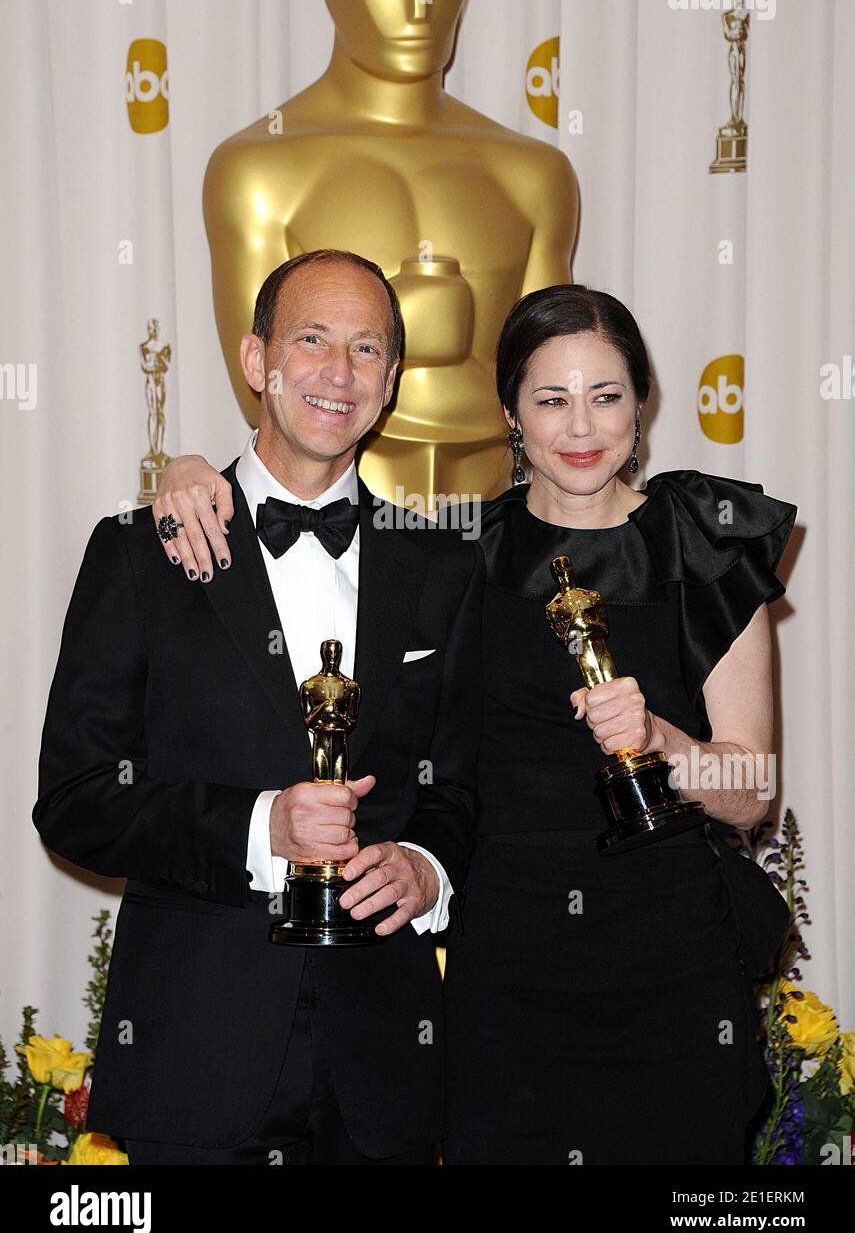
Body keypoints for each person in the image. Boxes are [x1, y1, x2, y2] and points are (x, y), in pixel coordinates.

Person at [151, 284, 797, 1166]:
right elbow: (300, 510)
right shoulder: (455, 553)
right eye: (551, 399)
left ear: (640, 407)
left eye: (606, 396)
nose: (581, 427)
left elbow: (750, 793)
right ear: (509, 414)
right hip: (502, 970)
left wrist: (667, 743)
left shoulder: (699, 547)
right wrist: (188, 473)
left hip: (669, 962)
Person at [35, 249, 484, 1165]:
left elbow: (465, 784)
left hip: (386, 1066)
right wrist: (257, 829)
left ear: (392, 380)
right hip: (193, 1055)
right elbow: (77, 798)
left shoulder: (443, 564)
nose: (338, 372)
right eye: (311, 339)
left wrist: (427, 866)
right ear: (256, 361)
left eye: (367, 349)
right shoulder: (141, 550)